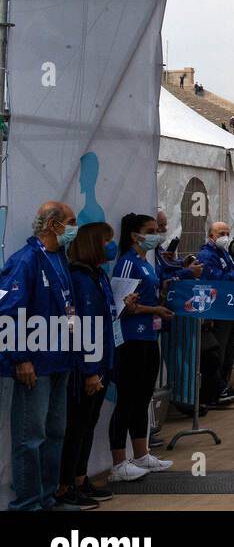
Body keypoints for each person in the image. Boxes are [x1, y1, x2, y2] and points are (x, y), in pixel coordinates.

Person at [1, 201, 79, 510]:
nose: (74, 228)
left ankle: (47, 498)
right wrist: (21, 358)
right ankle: (28, 504)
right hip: (35, 364)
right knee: (30, 437)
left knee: (55, 433)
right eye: (70, 222)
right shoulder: (25, 261)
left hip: (61, 360)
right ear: (52, 225)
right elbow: (8, 313)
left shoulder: (60, 258)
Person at [57, 222, 130, 509]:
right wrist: (89, 371)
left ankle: (79, 477)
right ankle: (65, 486)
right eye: (107, 240)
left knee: (88, 424)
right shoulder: (81, 278)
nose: (112, 246)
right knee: (77, 426)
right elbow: (83, 326)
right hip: (87, 367)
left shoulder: (97, 275)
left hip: (102, 362)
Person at [109, 213, 175, 482]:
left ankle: (141, 454)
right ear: (135, 235)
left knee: (143, 397)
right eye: (151, 230)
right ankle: (118, 462)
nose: (157, 235)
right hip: (131, 338)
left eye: (158, 230)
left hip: (149, 336)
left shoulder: (147, 263)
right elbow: (120, 306)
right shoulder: (127, 263)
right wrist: (153, 309)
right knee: (127, 399)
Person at [195, 222, 234, 406]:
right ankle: (214, 392)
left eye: (227, 233)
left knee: (228, 352)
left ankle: (223, 387)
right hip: (217, 309)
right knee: (218, 351)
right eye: (221, 233)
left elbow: (233, 276)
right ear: (211, 235)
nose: (225, 237)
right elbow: (218, 281)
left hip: (230, 307)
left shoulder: (223, 253)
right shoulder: (207, 255)